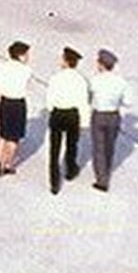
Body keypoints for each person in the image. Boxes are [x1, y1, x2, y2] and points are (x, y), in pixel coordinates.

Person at [45, 47, 91, 195]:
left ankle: (54, 182)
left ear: (65, 61)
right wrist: (84, 121)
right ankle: (70, 170)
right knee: (72, 144)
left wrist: (52, 109)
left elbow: (49, 99)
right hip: (72, 114)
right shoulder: (81, 80)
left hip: (58, 113)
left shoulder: (55, 78)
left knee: (54, 149)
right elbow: (83, 102)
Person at [89, 49, 134, 192]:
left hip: (99, 115)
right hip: (114, 115)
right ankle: (106, 170)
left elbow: (89, 97)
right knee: (109, 146)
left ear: (101, 64)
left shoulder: (95, 80)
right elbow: (128, 102)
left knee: (99, 147)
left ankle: (102, 179)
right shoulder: (121, 82)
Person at [0, 40, 33, 177]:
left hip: (5, 102)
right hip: (18, 104)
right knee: (13, 138)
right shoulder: (26, 70)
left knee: (3, 135)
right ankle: (8, 164)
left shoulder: (1, 67)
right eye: (26, 54)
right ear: (20, 55)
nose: (28, 57)